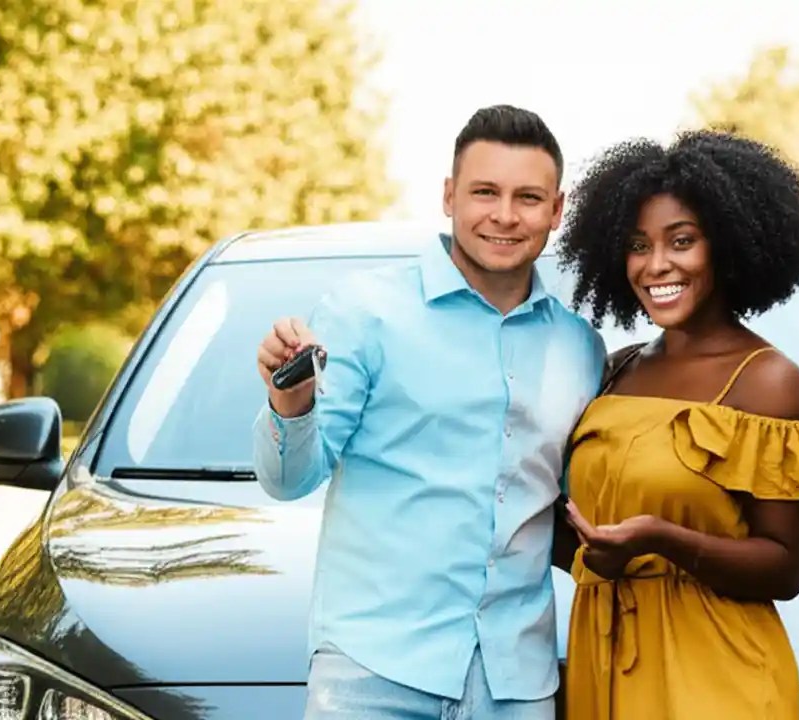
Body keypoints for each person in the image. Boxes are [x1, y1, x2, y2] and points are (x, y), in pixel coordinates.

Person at [252, 105, 606, 719]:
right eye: (484, 192)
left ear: (557, 209)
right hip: (372, 674)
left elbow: (579, 506)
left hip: (517, 685)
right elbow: (289, 480)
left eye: (527, 197)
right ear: (449, 196)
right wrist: (292, 401)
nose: (503, 214)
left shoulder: (581, 348)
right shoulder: (366, 313)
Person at [553, 129, 799, 719]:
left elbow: (785, 566)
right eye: (638, 245)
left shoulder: (769, 382)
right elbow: (577, 532)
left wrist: (661, 540)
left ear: (727, 246)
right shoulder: (615, 372)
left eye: (682, 241)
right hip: (604, 661)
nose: (656, 265)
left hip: (714, 674)